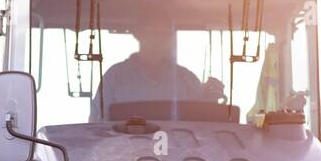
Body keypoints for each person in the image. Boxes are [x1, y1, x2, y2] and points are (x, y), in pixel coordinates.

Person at [90, 27, 224, 121]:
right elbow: (96, 124)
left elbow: (203, 123)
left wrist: (210, 98)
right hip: (124, 156)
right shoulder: (115, 76)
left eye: (163, 34)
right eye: (152, 33)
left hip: (178, 156)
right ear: (139, 34)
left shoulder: (186, 78)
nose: (157, 39)